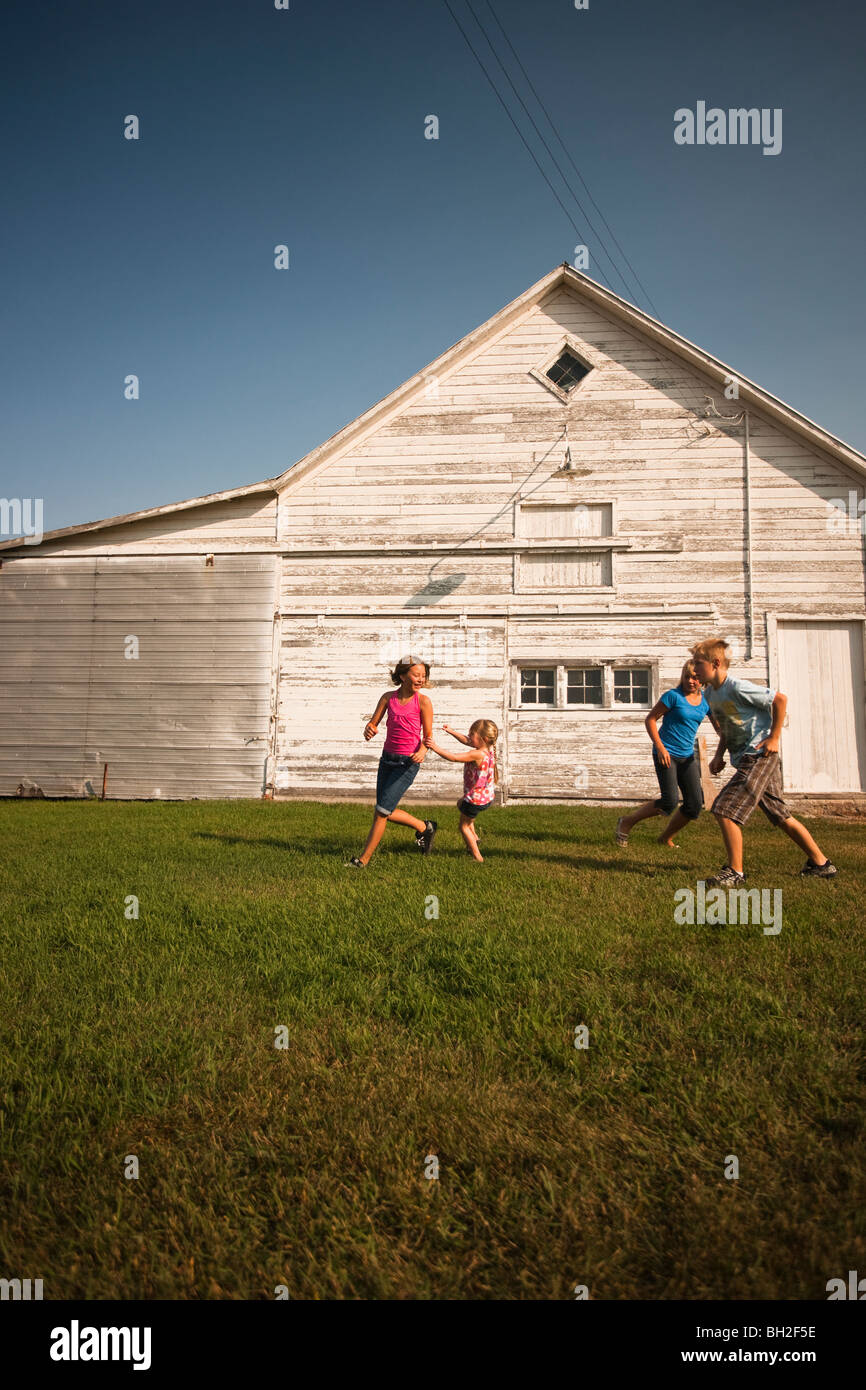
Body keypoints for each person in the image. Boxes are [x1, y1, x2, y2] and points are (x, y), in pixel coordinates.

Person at [689, 637, 837, 886]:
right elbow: (728, 725)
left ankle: (735, 872)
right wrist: (718, 755)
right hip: (744, 757)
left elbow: (780, 700)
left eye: (698, 664)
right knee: (780, 814)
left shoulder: (736, 686)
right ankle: (821, 863)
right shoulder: (711, 693)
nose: (694, 670)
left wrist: (774, 737)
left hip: (759, 755)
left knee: (724, 809)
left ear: (715, 663)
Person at [346, 655, 437, 867]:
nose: (421, 679)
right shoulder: (388, 698)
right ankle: (425, 828)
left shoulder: (423, 702)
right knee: (384, 809)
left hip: (407, 764)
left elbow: (429, 736)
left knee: (381, 812)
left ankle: (363, 860)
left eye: (424, 675)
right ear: (403, 675)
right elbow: (373, 723)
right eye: (416, 675)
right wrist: (370, 729)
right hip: (387, 760)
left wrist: (423, 750)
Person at [615, 659, 711, 848]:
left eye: (695, 677)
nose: (690, 681)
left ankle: (665, 837)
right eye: (687, 677)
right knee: (670, 801)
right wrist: (660, 747)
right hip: (666, 752)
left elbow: (719, 725)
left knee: (694, 804)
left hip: (687, 756)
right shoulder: (673, 696)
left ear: (702, 680)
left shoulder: (705, 702)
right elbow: (650, 719)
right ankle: (627, 822)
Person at [424, 719, 499, 863]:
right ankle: (475, 838)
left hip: (474, 800)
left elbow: (453, 757)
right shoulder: (488, 749)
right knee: (461, 805)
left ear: (482, 739)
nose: (469, 737)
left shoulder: (476, 754)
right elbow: (466, 740)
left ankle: (477, 857)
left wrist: (434, 747)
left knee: (463, 826)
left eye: (472, 735)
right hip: (486, 797)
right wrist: (451, 731)